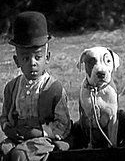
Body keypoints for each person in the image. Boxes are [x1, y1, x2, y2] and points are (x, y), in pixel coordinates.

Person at [0, 11, 73, 161]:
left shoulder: (54, 89)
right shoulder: (11, 88)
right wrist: (9, 129)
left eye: (38, 57)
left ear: (47, 58)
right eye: (26, 58)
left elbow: (63, 124)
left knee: (20, 155)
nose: (32, 63)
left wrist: (40, 132)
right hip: (16, 138)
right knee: (4, 151)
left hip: (42, 140)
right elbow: (4, 116)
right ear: (17, 61)